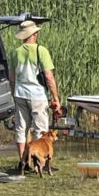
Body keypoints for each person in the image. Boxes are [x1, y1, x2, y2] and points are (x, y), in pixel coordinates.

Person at [9, 19, 60, 169]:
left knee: (21, 127)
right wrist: (55, 98)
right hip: (37, 95)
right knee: (41, 128)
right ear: (34, 34)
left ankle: (23, 160)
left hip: (20, 94)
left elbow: (12, 78)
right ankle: (39, 162)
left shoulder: (15, 52)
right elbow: (49, 77)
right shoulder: (41, 51)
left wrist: (14, 94)